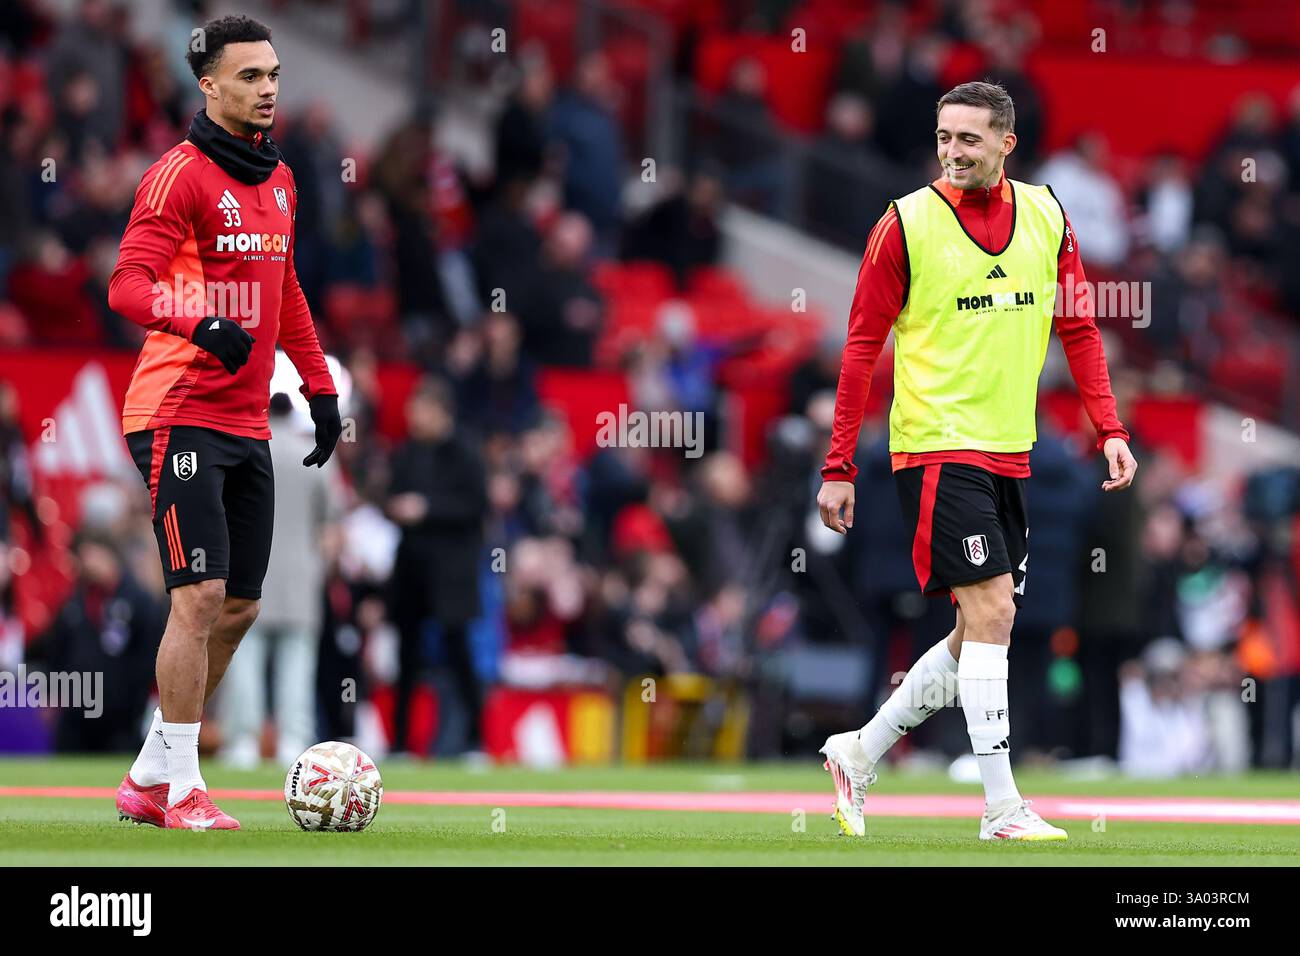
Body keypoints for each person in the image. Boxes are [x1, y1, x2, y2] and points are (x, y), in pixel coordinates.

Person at [815, 82, 1137, 841]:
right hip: (934, 445)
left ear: (1005, 143)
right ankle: (1000, 807)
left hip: (1009, 451)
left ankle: (858, 752)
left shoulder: (1048, 215)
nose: (952, 151)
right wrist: (838, 465)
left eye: (968, 138)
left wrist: (1109, 427)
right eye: (944, 136)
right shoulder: (904, 225)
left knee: (977, 633)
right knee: (993, 611)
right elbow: (862, 346)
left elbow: (1081, 330)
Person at [107, 15, 342, 830]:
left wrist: (319, 387)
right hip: (177, 411)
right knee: (199, 595)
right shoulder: (178, 176)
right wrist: (199, 320)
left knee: (239, 607)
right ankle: (182, 788)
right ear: (208, 85)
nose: (269, 87)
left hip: (246, 422)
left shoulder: (280, 179)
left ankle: (148, 772)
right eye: (250, 76)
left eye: (274, 73)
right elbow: (127, 286)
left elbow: (287, 289)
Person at [218, 392, 341, 768]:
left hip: (248, 574)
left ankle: (242, 742)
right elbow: (333, 529)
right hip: (301, 579)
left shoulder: (246, 450)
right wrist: (321, 569)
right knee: (297, 666)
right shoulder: (314, 456)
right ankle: (294, 740)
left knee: (243, 661)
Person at [386, 379, 488, 755]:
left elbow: (477, 506)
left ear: (440, 411)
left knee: (459, 654)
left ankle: (475, 740)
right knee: (406, 659)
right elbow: (389, 497)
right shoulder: (407, 453)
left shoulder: (465, 453)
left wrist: (427, 508)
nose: (414, 418)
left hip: (451, 573)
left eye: (421, 410)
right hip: (411, 570)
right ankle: (400, 743)